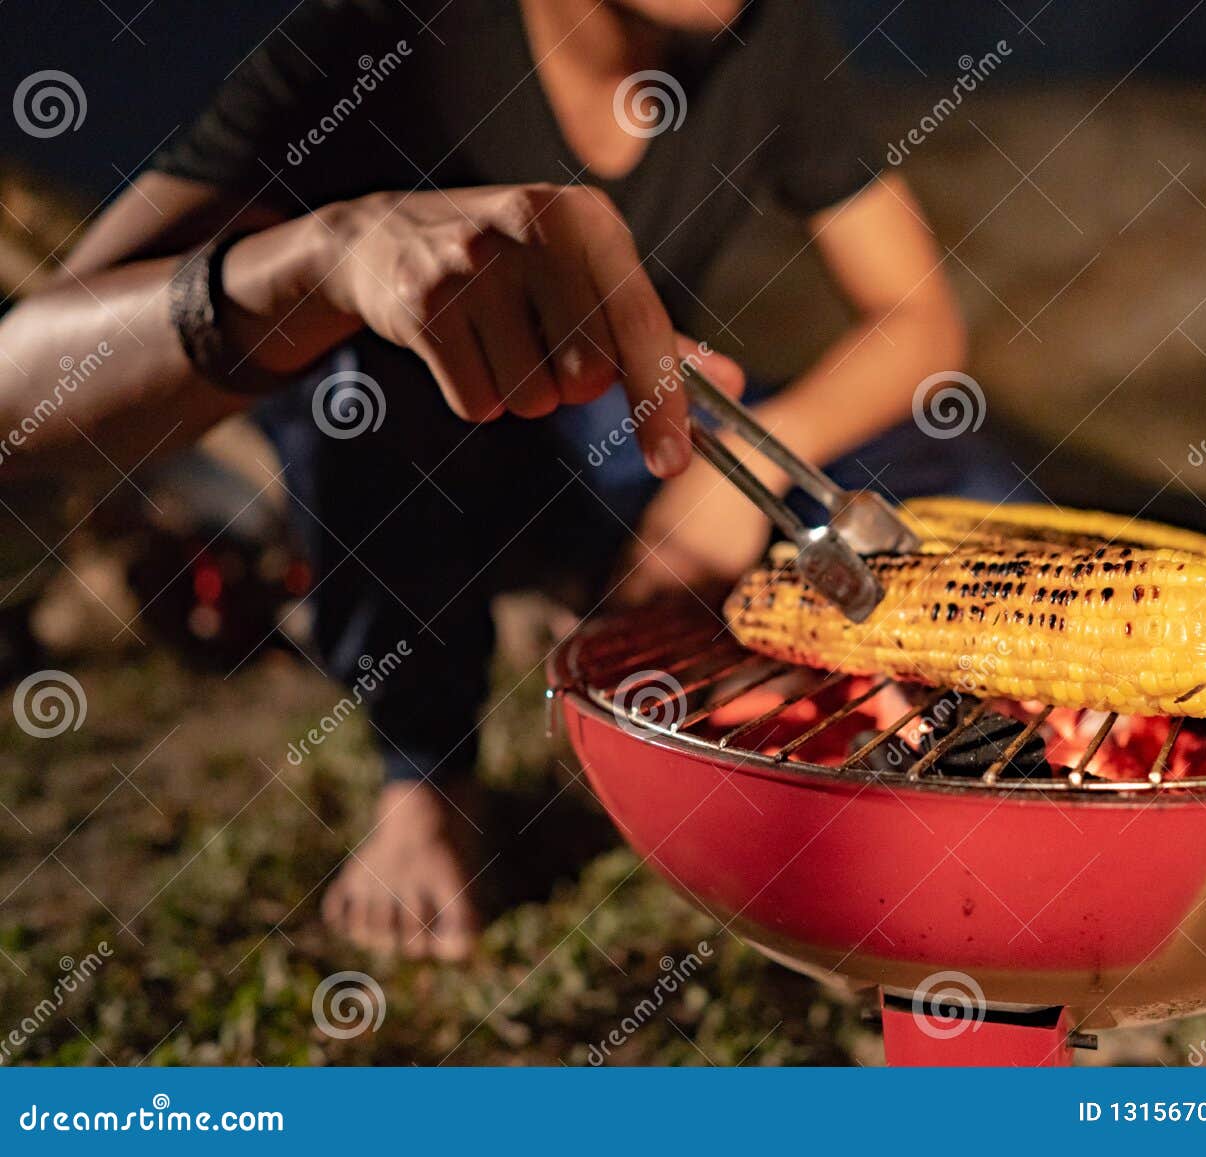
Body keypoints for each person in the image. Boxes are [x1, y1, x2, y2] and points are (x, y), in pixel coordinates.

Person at [0, 0, 1020, 957]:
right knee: (374, 377)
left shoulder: (767, 36)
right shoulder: (388, 30)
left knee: (950, 461)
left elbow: (920, 320)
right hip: (402, 477)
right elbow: (23, 376)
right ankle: (425, 778)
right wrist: (327, 256)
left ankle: (918, 738)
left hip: (629, 444)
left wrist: (744, 464)